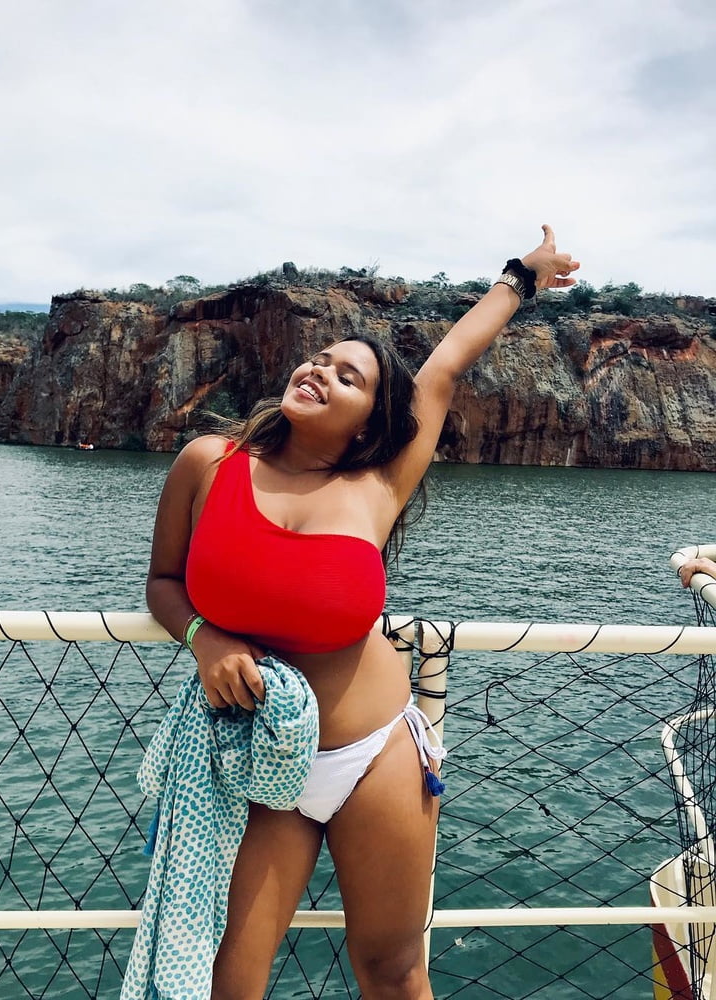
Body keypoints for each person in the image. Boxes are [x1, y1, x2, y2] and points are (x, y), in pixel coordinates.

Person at [145, 224, 580, 1000]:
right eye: (320, 359)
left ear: (370, 420)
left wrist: (522, 275)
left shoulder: (378, 489)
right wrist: (204, 639)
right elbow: (162, 582)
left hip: (375, 756)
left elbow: (445, 366)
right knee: (226, 980)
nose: (320, 370)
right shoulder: (209, 463)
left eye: (348, 377)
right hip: (262, 758)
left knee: (393, 971)